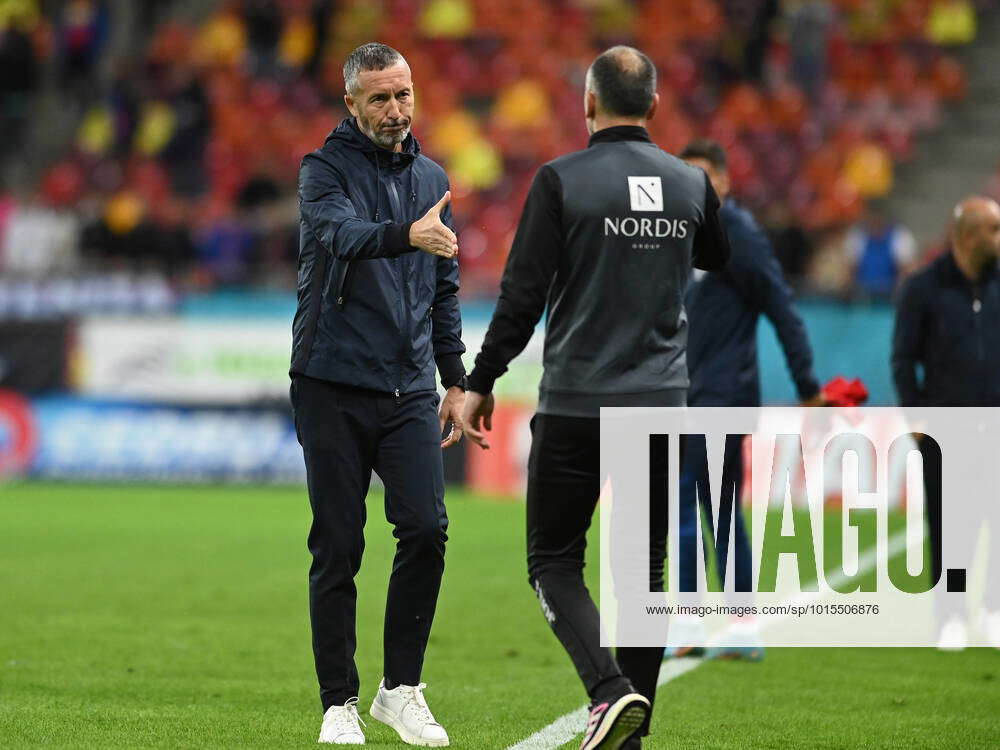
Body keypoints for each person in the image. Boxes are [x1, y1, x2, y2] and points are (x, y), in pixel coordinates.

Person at [462, 46, 729, 750]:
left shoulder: (561, 181)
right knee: (643, 573)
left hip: (579, 400)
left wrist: (479, 381)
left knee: (553, 561)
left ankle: (609, 694)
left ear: (587, 103)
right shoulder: (692, 185)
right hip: (661, 404)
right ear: (655, 106)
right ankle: (632, 736)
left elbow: (521, 297)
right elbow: (715, 256)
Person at [289, 42, 467, 746]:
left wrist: (457, 380)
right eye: (381, 99)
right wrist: (407, 235)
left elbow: (444, 285)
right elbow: (340, 234)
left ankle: (401, 690)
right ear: (352, 104)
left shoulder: (432, 177)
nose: (396, 110)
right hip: (331, 381)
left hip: (407, 387)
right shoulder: (321, 170)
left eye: (404, 95)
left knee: (426, 528)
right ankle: (339, 702)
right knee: (339, 543)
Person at [665, 139, 823, 661]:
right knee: (719, 505)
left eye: (703, 175)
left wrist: (806, 386)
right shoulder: (680, 237)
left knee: (689, 499)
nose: (694, 185)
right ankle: (743, 621)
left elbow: (781, 307)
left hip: (721, 393)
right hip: (687, 392)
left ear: (726, 182)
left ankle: (686, 622)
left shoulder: (738, 234)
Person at [891, 196, 1000, 651]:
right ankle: (950, 615)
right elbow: (903, 358)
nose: (999, 238)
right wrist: (917, 417)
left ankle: (994, 610)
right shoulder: (923, 288)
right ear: (968, 236)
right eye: (994, 229)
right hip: (946, 429)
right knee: (949, 524)